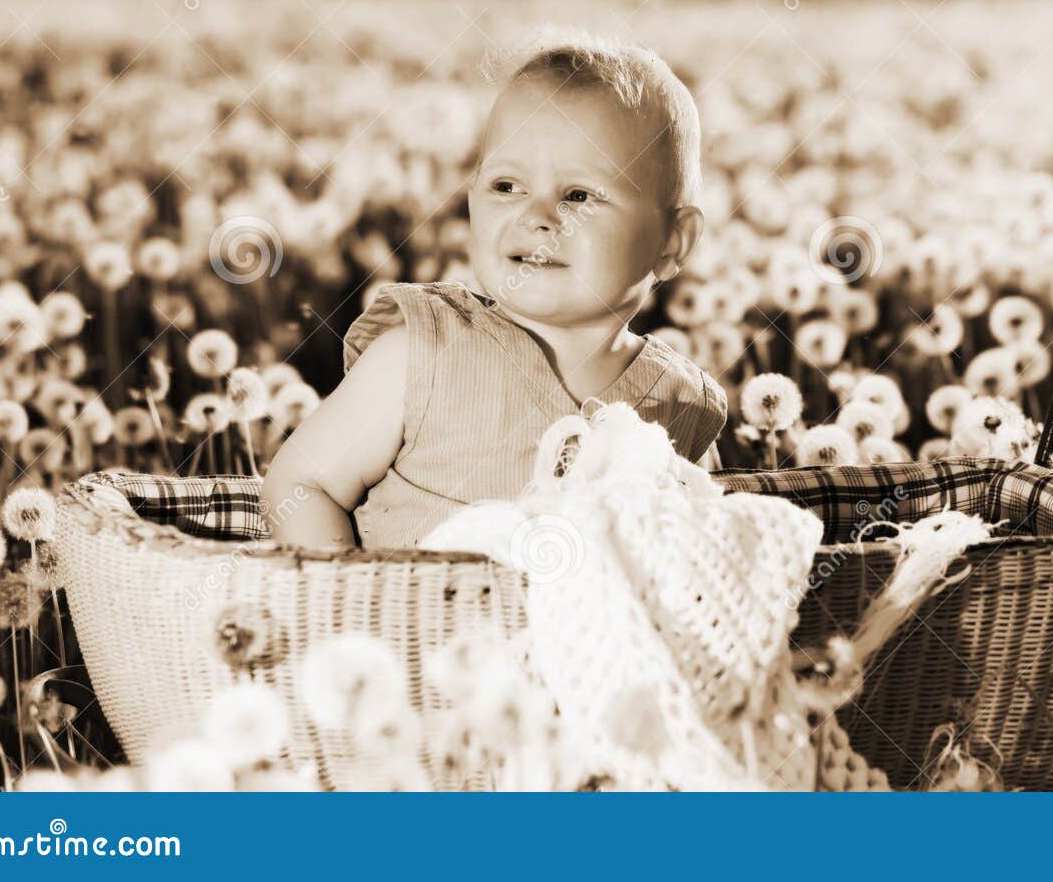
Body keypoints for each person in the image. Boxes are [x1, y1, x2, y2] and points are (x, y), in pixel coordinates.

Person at [262, 30, 727, 550]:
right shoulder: (424, 354)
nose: (537, 216)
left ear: (672, 242)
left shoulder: (682, 403)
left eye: (578, 195)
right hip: (409, 624)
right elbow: (302, 485)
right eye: (507, 187)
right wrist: (351, 602)